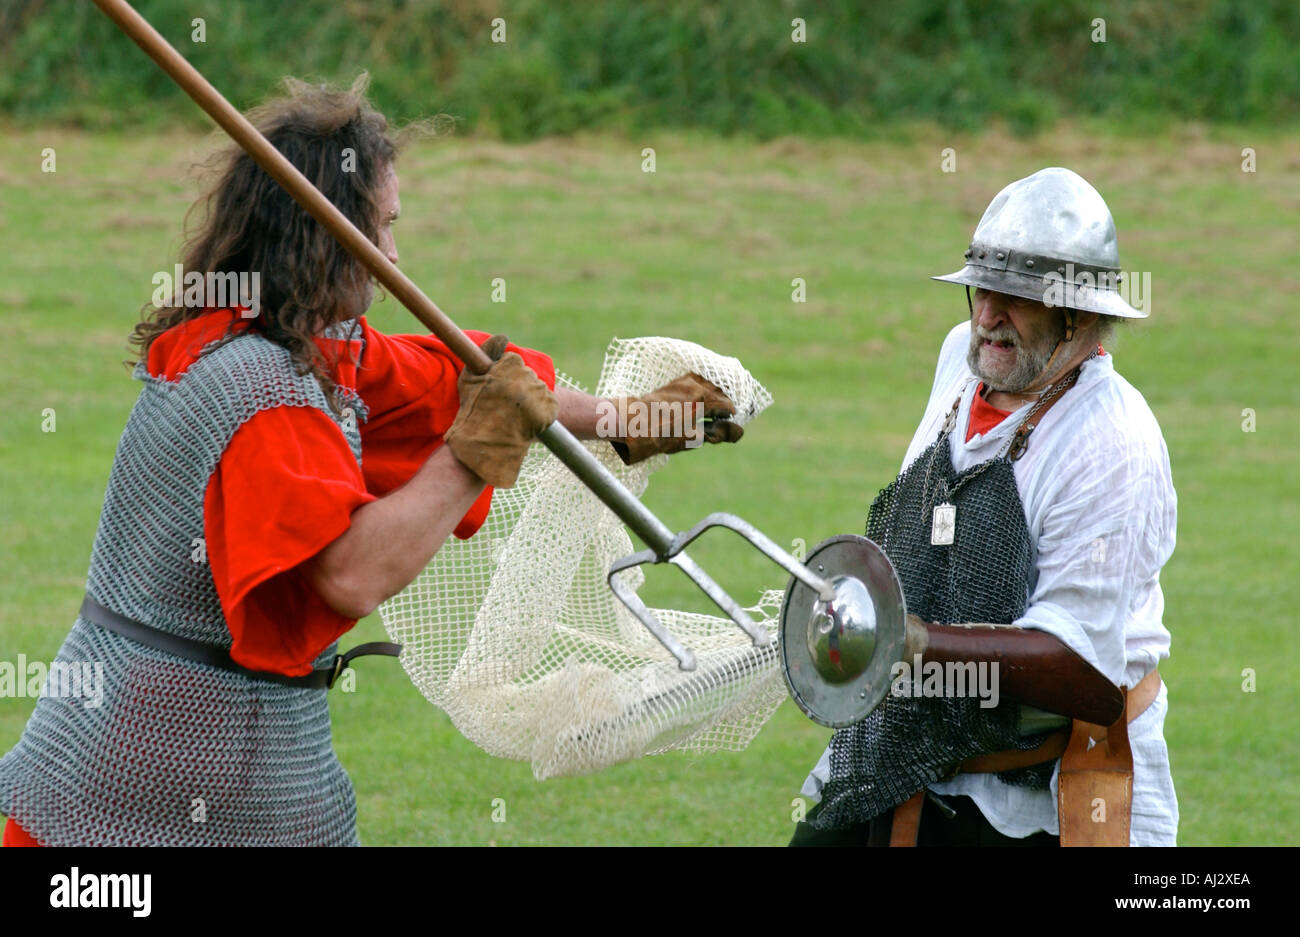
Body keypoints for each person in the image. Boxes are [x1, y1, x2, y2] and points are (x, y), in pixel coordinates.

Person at [0, 77, 741, 847]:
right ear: (321, 232)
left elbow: (471, 378)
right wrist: (471, 458)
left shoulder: (299, 344)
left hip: (251, 773)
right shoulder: (262, 390)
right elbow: (350, 571)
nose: (392, 256)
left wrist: (626, 421)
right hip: (131, 783)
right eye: (379, 228)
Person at [791, 167, 1178, 846]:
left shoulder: (1112, 443)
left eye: (1017, 298)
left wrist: (911, 644)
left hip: (1036, 794)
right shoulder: (960, 359)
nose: (987, 315)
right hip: (905, 751)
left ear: (1079, 315)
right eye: (982, 289)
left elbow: (1083, 673)